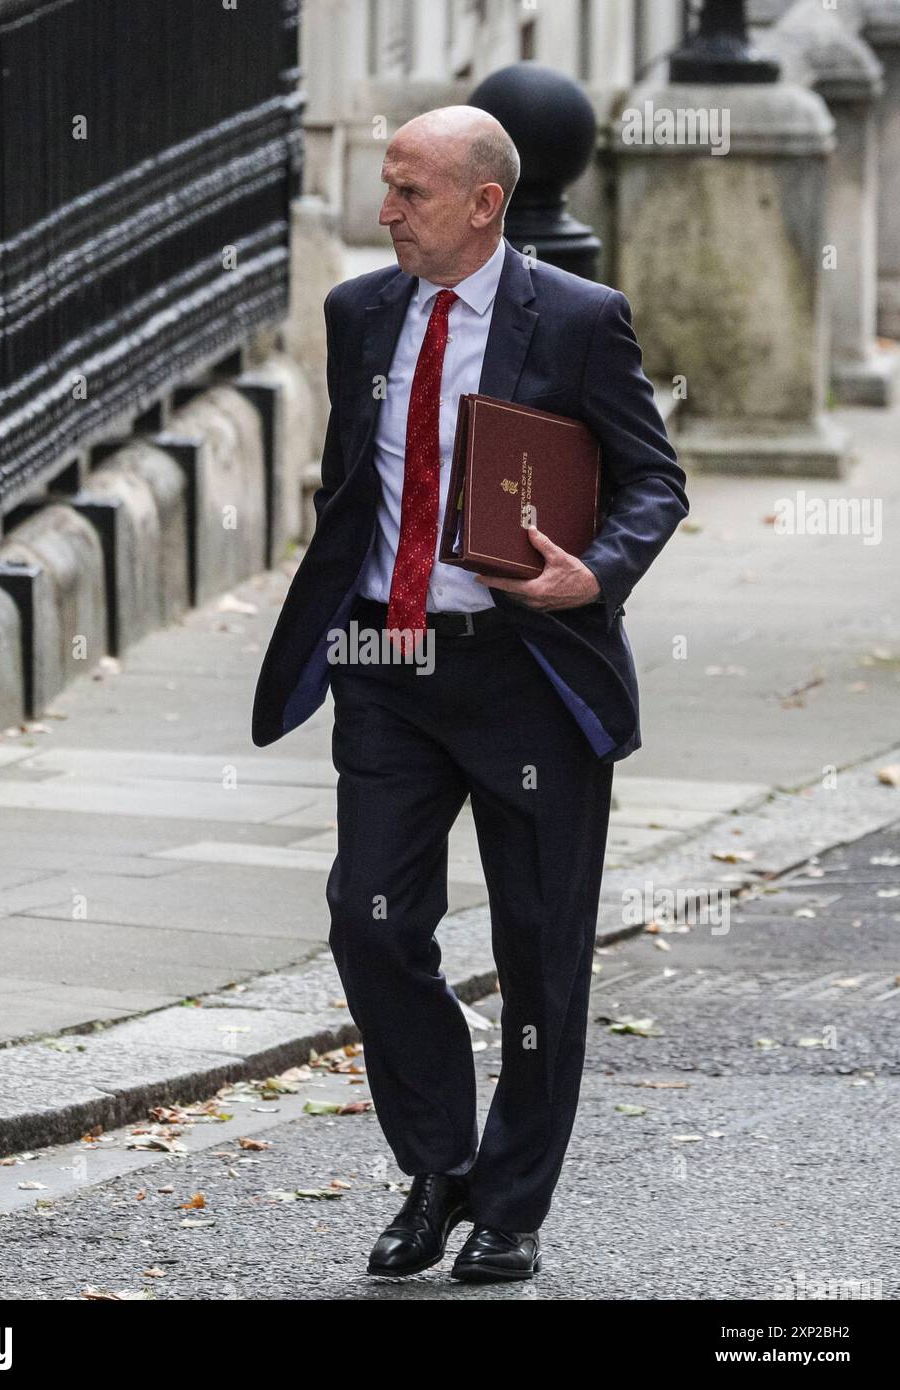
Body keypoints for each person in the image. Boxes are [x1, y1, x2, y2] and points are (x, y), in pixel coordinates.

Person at [251, 105, 688, 1282]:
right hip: (389, 667)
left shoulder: (580, 321)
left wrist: (593, 570)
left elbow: (654, 479)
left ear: (485, 205)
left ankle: (510, 1204)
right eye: (387, 188)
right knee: (371, 923)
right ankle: (437, 1162)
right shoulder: (359, 315)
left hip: (526, 671)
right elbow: (359, 481)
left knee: (541, 950)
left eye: (409, 191)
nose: (383, 210)